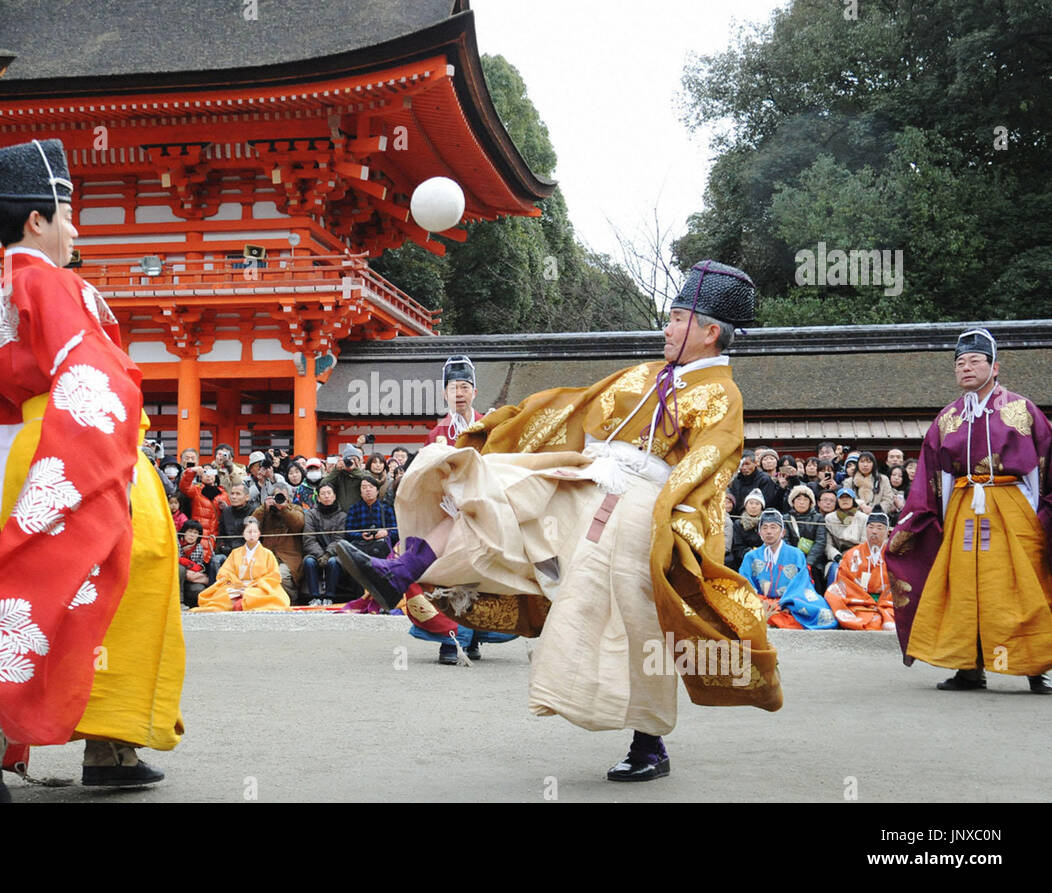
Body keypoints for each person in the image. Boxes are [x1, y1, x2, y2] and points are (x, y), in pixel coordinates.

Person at [334, 260, 782, 781]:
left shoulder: (722, 395)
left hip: (648, 500)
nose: (667, 326)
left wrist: (673, 517)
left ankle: (648, 742)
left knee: (632, 615)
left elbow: (709, 462)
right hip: (589, 474)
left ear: (709, 332)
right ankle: (403, 569)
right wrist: (503, 424)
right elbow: (573, 406)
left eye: (679, 318)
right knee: (492, 479)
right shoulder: (645, 375)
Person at [0, 139, 185, 803]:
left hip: (31, 449)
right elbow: (90, 373)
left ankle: (102, 742)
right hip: (80, 441)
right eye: (67, 212)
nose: (76, 227)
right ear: (36, 220)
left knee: (67, 580)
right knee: (123, 575)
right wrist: (106, 442)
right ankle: (1, 727)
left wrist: (11, 505)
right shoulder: (55, 283)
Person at [887, 328, 1052, 693]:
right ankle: (968, 667)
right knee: (963, 588)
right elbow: (936, 476)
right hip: (963, 507)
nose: (966, 367)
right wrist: (933, 521)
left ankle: (1033, 667)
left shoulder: (1021, 410)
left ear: (995, 367)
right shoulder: (948, 418)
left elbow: (1042, 465)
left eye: (975, 361)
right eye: (960, 362)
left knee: (1019, 586)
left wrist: (1039, 513)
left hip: (1012, 504)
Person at [740, 509, 836, 629]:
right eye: (764, 528)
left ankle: (774, 616)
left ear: (783, 532)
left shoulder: (796, 554)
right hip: (760, 602)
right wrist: (762, 601)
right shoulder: (751, 556)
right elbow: (745, 583)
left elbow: (802, 583)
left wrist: (783, 602)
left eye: (773, 527)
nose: (769, 532)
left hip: (790, 602)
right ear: (759, 532)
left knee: (825, 614)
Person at [195, 517, 290, 611]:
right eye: (249, 532)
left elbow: (274, 576)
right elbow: (225, 572)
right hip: (237, 586)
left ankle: (241, 603)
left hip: (258, 588)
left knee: (264, 596)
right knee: (222, 595)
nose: (252, 534)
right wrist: (237, 584)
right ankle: (243, 603)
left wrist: (255, 584)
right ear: (243, 534)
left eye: (255, 532)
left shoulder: (267, 554)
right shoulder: (235, 553)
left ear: (259, 534)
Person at [825, 512, 895, 630]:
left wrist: (884, 599)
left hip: (888, 601)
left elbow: (900, 583)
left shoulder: (895, 555)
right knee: (832, 594)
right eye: (870, 527)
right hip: (859, 600)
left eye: (879, 528)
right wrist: (865, 598)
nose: (874, 531)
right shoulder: (852, 554)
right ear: (865, 529)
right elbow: (845, 580)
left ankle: (882, 617)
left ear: (887, 532)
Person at [253, 481, 305, 601]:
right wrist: (263, 508)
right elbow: (251, 526)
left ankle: (291, 600)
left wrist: (284, 509)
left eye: (283, 497)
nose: (279, 500)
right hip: (267, 556)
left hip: (289, 558)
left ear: (289, 499)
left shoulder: (295, 509)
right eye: (277, 497)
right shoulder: (265, 512)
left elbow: (299, 525)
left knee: (281, 576)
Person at [302, 483, 348, 605]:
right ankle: (314, 597)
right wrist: (320, 555)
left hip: (334, 553)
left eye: (329, 493)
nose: (326, 496)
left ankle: (330, 596)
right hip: (315, 553)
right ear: (318, 498)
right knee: (309, 562)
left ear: (334, 496)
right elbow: (309, 538)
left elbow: (339, 539)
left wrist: (327, 555)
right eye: (323, 493)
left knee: (334, 562)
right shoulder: (311, 515)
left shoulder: (342, 516)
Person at [425, 355, 482, 446]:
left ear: (474, 392)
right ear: (445, 394)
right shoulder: (436, 435)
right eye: (453, 388)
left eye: (464, 387)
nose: (459, 394)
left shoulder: (488, 427)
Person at [783, 484, 828, 589]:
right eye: (798, 499)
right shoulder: (786, 518)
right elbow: (785, 540)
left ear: (811, 502)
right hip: (791, 558)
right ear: (792, 502)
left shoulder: (818, 518)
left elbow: (820, 542)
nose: (802, 502)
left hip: (814, 561)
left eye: (805, 500)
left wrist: (808, 562)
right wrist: (797, 559)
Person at [343, 476, 398, 561]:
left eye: (371, 487)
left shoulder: (386, 508)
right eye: (364, 487)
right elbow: (348, 532)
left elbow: (396, 532)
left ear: (377, 491)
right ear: (360, 492)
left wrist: (386, 532)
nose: (368, 490)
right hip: (360, 550)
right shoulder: (354, 508)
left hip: (381, 552)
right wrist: (361, 535)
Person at [210, 482, 257, 580]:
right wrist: (222, 546)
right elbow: (221, 534)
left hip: (247, 554)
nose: (234, 497)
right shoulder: (226, 512)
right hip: (227, 552)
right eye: (232, 493)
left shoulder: (254, 512)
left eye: (238, 494)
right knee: (215, 560)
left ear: (247, 497)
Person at [823, 487, 867, 586]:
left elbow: (865, 542)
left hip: (859, 555)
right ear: (838, 501)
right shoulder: (829, 518)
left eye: (848, 498)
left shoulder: (863, 518)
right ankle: (832, 598)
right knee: (834, 570)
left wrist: (854, 556)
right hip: (839, 556)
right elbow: (828, 544)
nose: (845, 500)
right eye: (842, 498)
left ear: (853, 500)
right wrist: (838, 557)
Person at [728, 488, 766, 571]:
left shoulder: (766, 523)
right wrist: (751, 552)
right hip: (744, 560)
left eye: (757, 504)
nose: (753, 506)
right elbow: (737, 547)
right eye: (751, 503)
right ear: (745, 505)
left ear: (762, 507)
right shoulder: (738, 524)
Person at [178, 520, 212, 608]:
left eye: (195, 533)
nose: (192, 535)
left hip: (191, 579)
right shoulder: (176, 542)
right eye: (189, 531)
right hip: (177, 577)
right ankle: (179, 602)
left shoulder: (199, 547)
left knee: (199, 589)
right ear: (184, 532)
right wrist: (188, 564)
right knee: (180, 568)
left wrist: (191, 566)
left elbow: (199, 566)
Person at [850, 451, 895, 516]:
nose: (865, 465)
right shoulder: (850, 481)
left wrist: (875, 510)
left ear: (874, 464)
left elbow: (888, 500)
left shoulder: (883, 479)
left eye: (869, 462)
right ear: (857, 464)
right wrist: (862, 507)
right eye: (862, 462)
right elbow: (847, 500)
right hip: (856, 516)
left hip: (878, 516)